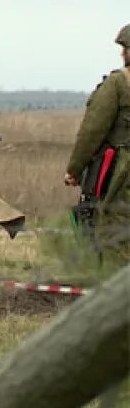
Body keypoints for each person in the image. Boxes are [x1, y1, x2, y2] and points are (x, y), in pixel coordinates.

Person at [65, 23, 130, 267]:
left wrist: (74, 169)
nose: (123, 54)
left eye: (126, 48)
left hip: (122, 174)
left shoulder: (118, 84)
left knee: (116, 235)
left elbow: (92, 131)